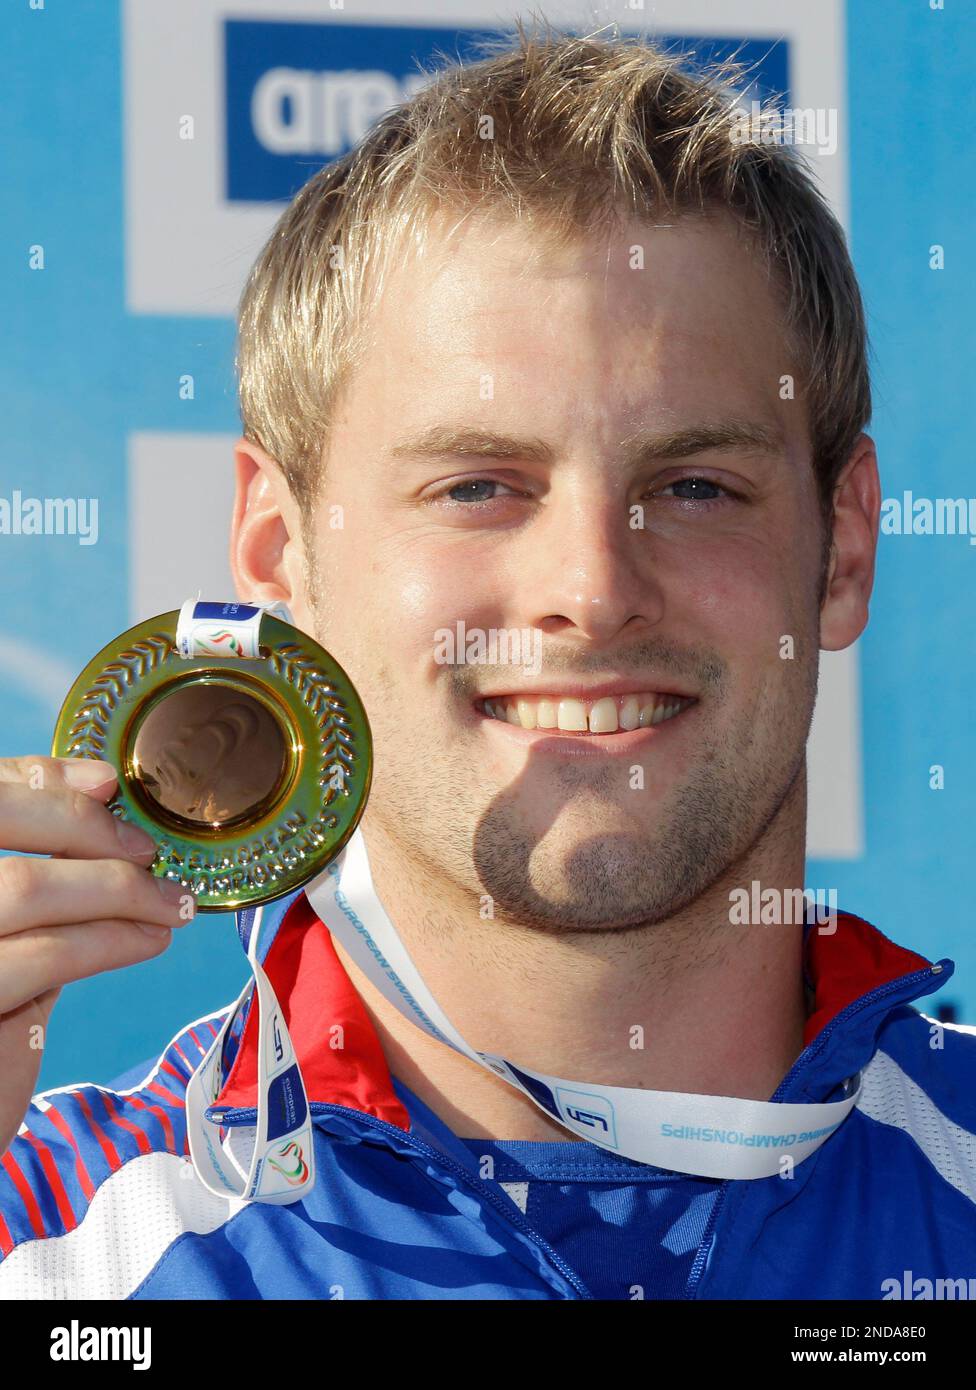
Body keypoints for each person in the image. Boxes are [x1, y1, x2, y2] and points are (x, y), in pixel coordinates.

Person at [1, 24, 974, 1302]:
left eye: (693, 484)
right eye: (476, 485)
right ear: (277, 552)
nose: (591, 588)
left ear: (843, 550)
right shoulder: (53, 1249)